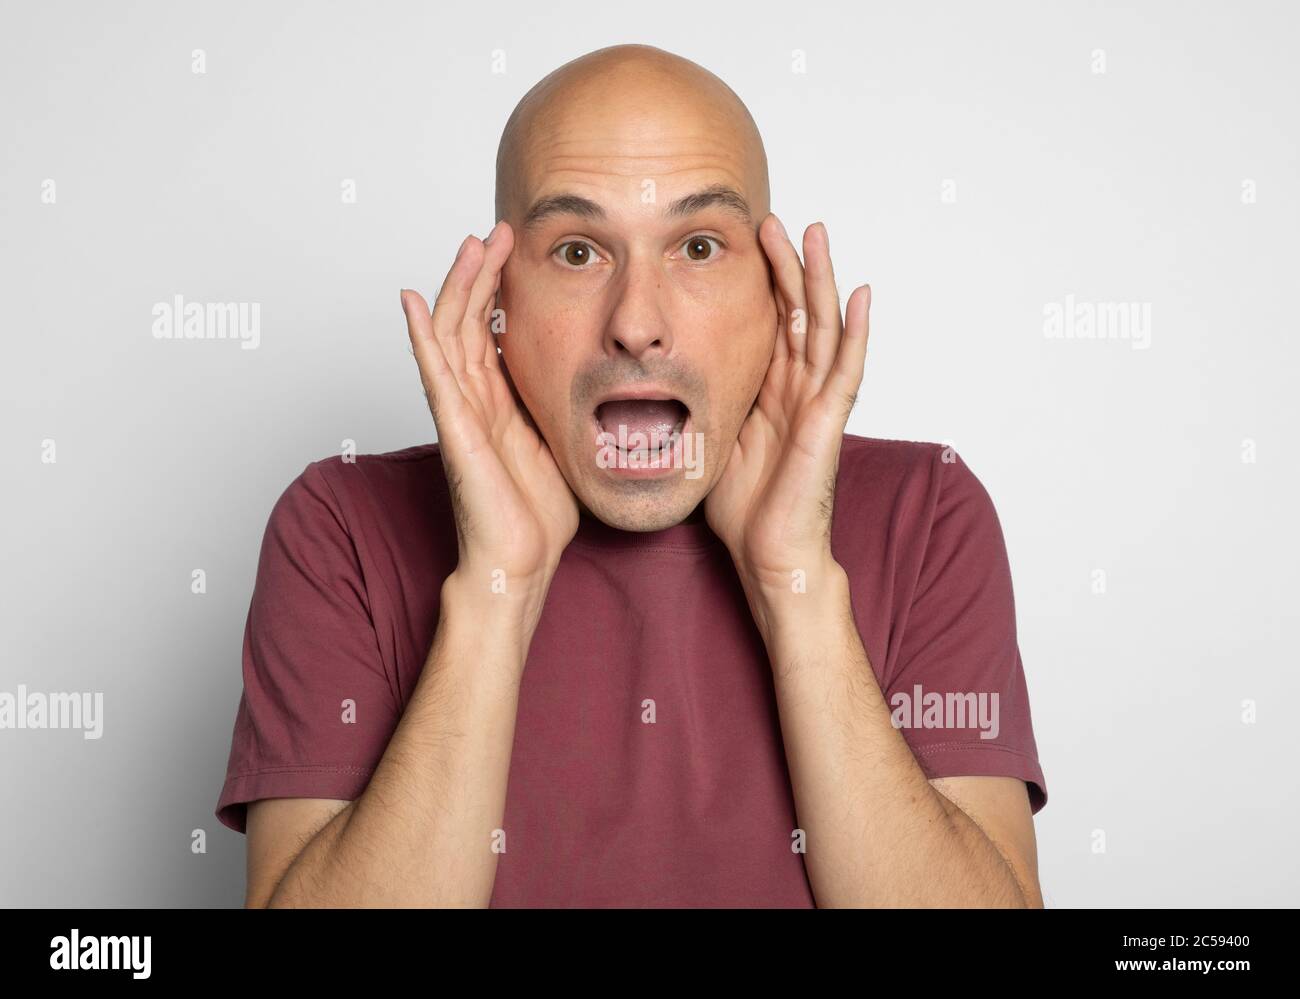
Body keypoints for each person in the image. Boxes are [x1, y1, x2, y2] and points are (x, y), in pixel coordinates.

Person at [216, 43, 1048, 907]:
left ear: (777, 297)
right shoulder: (341, 524)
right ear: (494, 307)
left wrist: (792, 582)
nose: (638, 324)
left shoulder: (928, 512)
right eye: (578, 252)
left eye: (696, 246)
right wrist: (500, 585)